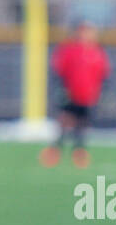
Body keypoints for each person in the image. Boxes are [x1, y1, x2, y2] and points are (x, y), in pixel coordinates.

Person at [41, 20, 109, 169]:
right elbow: (59, 70)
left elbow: (103, 74)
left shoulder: (97, 52)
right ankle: (54, 150)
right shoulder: (70, 50)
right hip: (71, 93)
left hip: (88, 95)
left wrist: (100, 92)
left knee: (83, 123)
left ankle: (79, 152)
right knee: (66, 121)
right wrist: (61, 88)